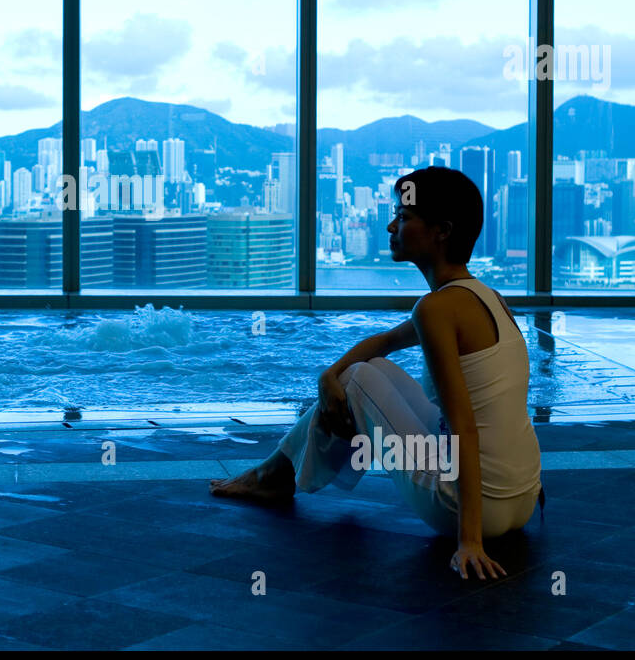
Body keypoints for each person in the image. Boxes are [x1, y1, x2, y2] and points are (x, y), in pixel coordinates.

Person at [209, 166, 543, 581]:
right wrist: (327, 374)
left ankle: (273, 475)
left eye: (403, 218)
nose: (391, 225)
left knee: (358, 379)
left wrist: (469, 541)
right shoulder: (486, 297)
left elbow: (464, 427)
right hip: (522, 498)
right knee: (368, 368)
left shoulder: (436, 308)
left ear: (441, 230)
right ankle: (275, 472)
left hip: (466, 507)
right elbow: (385, 343)